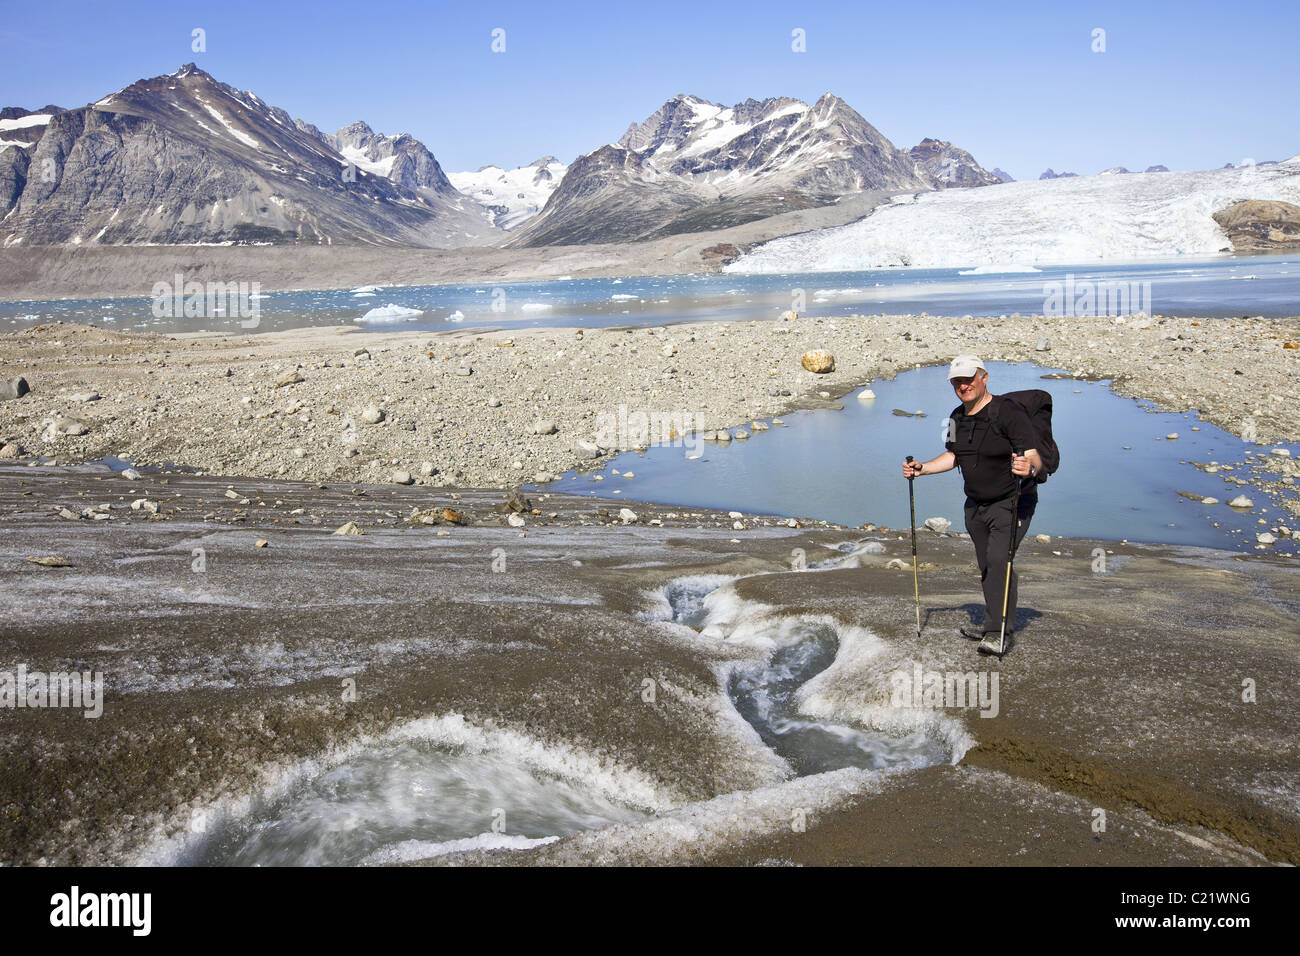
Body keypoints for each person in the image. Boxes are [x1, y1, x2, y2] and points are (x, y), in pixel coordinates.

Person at [901, 356, 1043, 655]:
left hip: (1012, 501)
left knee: (998, 562)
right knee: (987, 565)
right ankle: (993, 621)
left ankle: (998, 631)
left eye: (968, 379)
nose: (963, 385)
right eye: (957, 381)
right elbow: (953, 456)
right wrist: (921, 468)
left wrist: (1027, 468)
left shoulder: (1009, 413)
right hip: (975, 505)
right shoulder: (956, 417)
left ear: (984, 378)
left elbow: (1034, 457)